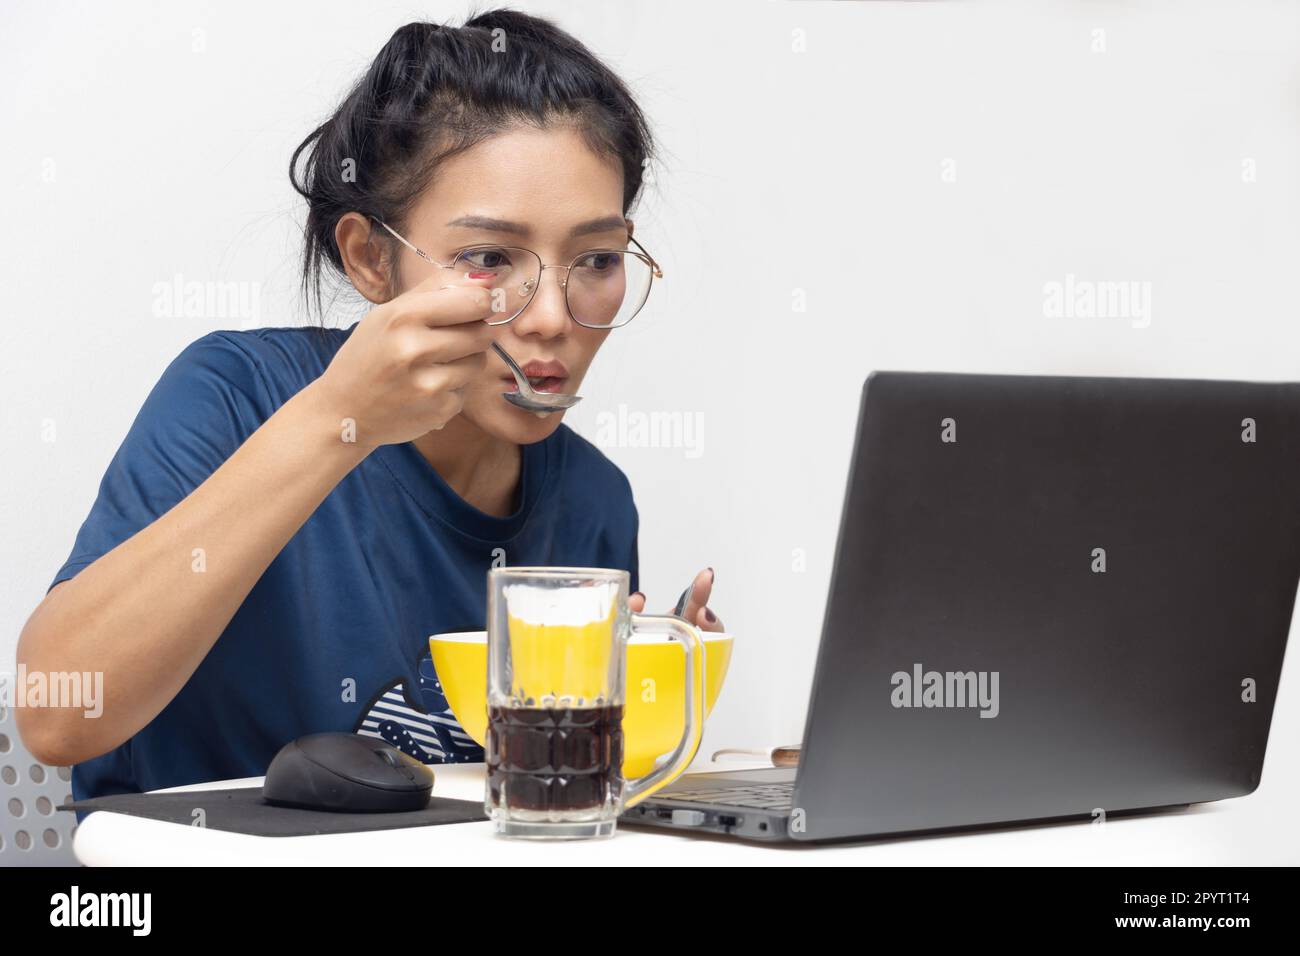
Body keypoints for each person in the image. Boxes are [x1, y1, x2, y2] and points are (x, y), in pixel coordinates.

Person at [16, 8, 723, 801]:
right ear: (370, 258)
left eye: (595, 258)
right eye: (489, 257)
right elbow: (56, 716)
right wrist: (334, 423)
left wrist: (656, 699)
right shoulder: (237, 395)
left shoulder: (593, 500)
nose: (554, 316)